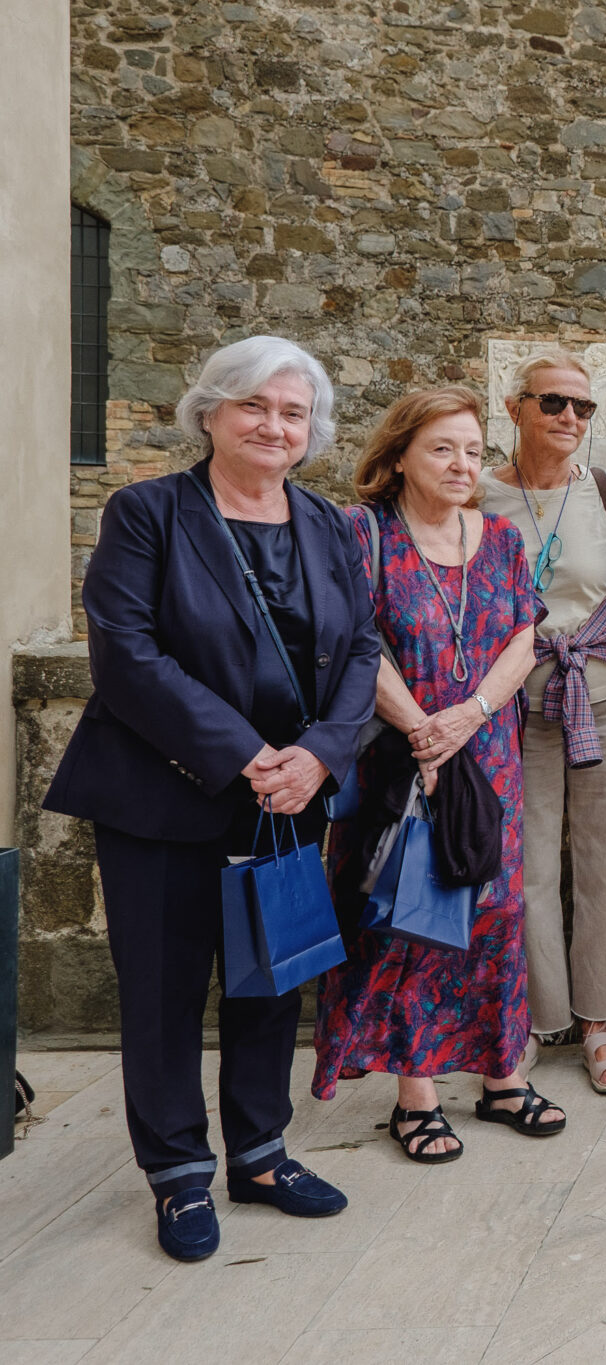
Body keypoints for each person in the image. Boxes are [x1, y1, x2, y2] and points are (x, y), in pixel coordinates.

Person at [44, 336, 380, 1260]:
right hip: (163, 794)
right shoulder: (147, 512)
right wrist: (245, 755)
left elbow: (360, 650)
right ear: (212, 413)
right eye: (256, 407)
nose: (275, 426)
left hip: (287, 800)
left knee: (271, 980)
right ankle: (179, 1176)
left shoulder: (331, 525)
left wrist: (316, 755)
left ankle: (263, 1154)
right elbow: (126, 652)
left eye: (294, 413)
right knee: (162, 991)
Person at [315, 386, 561, 1161]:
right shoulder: (365, 533)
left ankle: (499, 1076)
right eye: (441, 448)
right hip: (400, 758)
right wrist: (423, 724)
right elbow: (355, 641)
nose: (462, 463)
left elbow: (525, 632)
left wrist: (473, 713)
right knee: (409, 919)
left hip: (485, 752)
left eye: (471, 448)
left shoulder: (499, 539)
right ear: (398, 457)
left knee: (495, 912)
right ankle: (414, 1093)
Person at [478, 348, 606, 1095]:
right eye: (552, 402)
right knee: (522, 868)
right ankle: (533, 1019)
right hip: (512, 701)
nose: (568, 419)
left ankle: (598, 1021)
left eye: (582, 408)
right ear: (515, 407)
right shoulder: (478, 496)